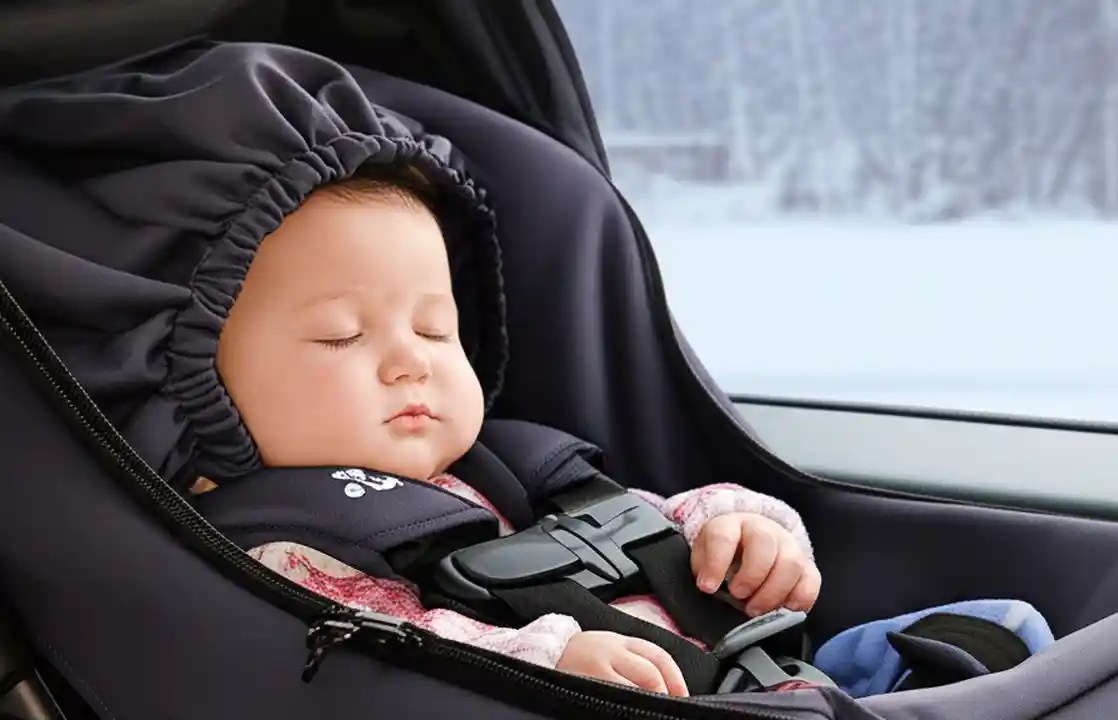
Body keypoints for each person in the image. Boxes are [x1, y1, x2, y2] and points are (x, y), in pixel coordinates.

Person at [198, 162, 823, 697]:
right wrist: (546, 658)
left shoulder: (509, 468)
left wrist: (736, 531)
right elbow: (398, 651)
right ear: (204, 381)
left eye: (435, 330)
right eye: (342, 335)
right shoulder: (282, 552)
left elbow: (645, 518)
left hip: (774, 678)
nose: (412, 361)